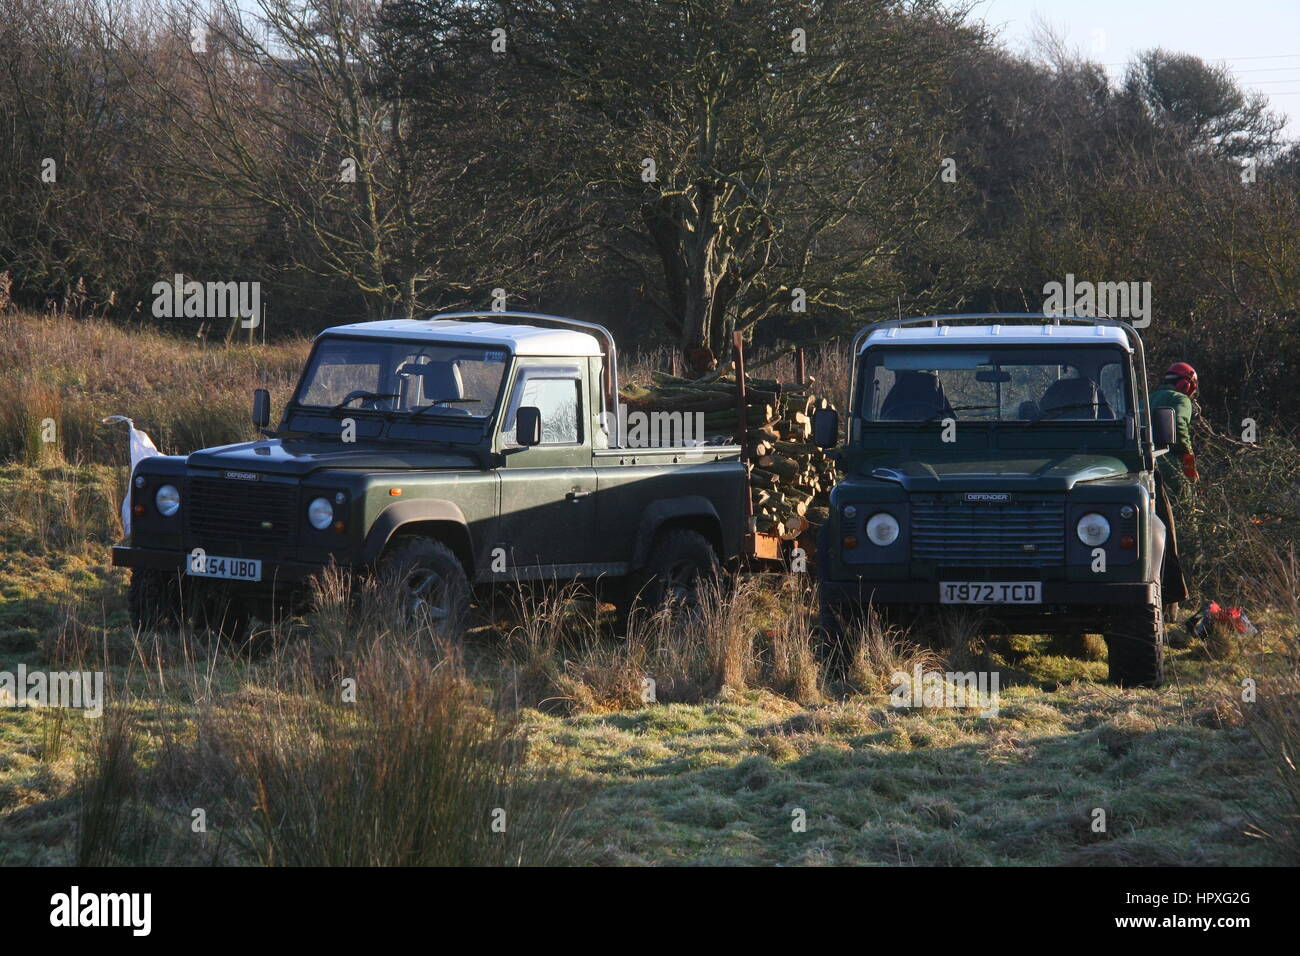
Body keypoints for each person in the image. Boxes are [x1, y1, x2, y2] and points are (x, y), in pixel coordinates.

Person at [1148, 361, 1199, 614]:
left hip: (1144, 468)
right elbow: (1178, 429)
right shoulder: (1181, 399)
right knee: (1183, 523)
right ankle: (1174, 601)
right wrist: (1189, 465)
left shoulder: (1149, 397)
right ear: (1185, 384)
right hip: (1168, 468)